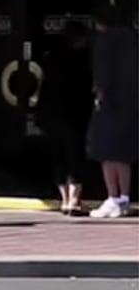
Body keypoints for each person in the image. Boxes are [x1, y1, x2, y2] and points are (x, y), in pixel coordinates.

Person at [35, 19, 94, 215]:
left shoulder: (52, 58)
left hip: (52, 114)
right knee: (75, 156)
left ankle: (65, 199)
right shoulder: (82, 60)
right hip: (73, 115)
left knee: (58, 157)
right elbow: (85, 90)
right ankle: (75, 200)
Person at [87, 3, 138, 218]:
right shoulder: (133, 39)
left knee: (106, 152)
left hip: (111, 103)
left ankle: (112, 196)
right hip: (132, 103)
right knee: (123, 154)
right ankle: (124, 197)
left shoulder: (105, 40)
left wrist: (99, 94)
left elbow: (102, 74)